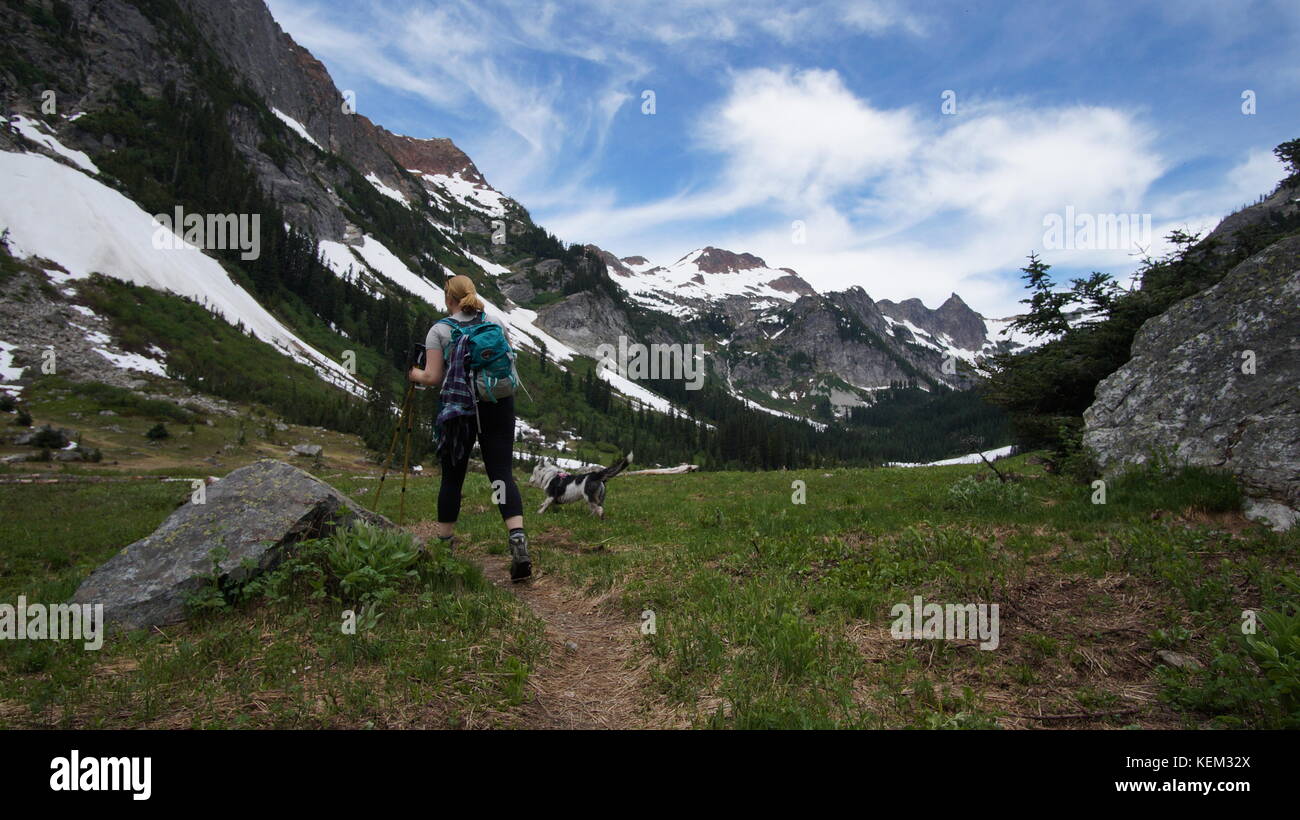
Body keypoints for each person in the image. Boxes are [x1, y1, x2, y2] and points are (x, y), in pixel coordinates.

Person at [409, 275, 531, 581]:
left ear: (448, 298)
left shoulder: (440, 330)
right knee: (501, 473)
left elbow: (433, 377)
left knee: (452, 478)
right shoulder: (494, 322)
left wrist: (413, 372)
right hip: (497, 404)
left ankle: (445, 548)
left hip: (458, 409)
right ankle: (517, 539)